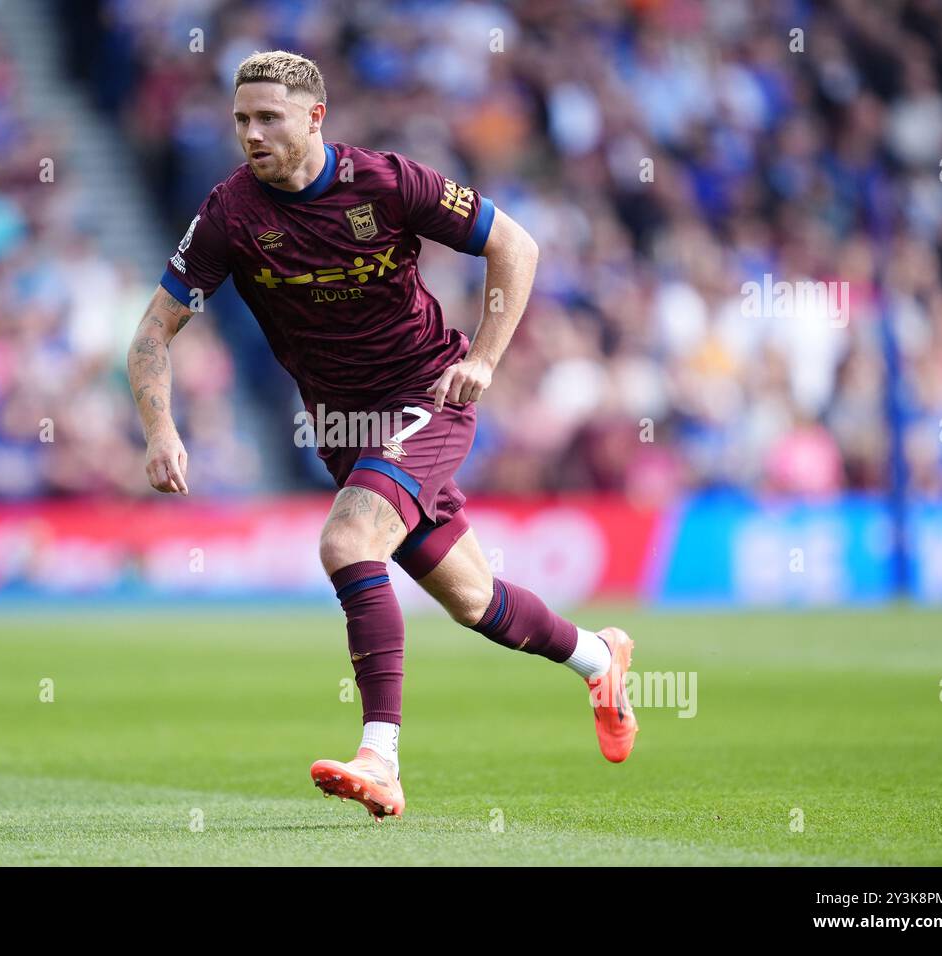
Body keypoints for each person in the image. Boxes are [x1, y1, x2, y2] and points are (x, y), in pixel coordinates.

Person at [127, 50, 637, 821]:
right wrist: (160, 429)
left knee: (345, 544)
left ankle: (382, 757)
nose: (252, 135)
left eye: (269, 118)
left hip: (423, 395)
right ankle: (600, 657)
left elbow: (516, 247)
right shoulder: (231, 214)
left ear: (315, 117)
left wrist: (487, 361)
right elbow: (152, 334)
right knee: (473, 601)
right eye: (241, 121)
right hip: (343, 428)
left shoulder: (390, 182)